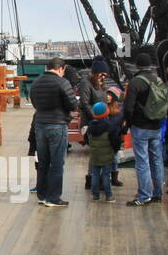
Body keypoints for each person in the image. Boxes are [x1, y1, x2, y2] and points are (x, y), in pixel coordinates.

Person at [121, 52, 168, 206]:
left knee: (142, 161)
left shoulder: (136, 82)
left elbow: (128, 108)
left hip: (140, 126)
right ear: (150, 66)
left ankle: (144, 195)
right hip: (156, 125)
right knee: (156, 159)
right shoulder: (158, 80)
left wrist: (128, 124)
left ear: (137, 66)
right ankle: (157, 193)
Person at [29, 57, 77, 207]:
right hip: (57, 125)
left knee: (43, 162)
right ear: (61, 68)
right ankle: (54, 198)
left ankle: (42, 195)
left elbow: (34, 102)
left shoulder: (36, 83)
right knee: (57, 163)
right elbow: (72, 104)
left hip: (40, 124)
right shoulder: (63, 82)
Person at [86, 100, 122, 203]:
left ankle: (95, 195)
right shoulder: (110, 126)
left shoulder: (90, 127)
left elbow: (87, 139)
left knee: (95, 174)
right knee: (106, 175)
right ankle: (108, 196)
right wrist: (115, 149)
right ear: (106, 113)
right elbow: (115, 141)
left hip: (95, 155)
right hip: (107, 155)